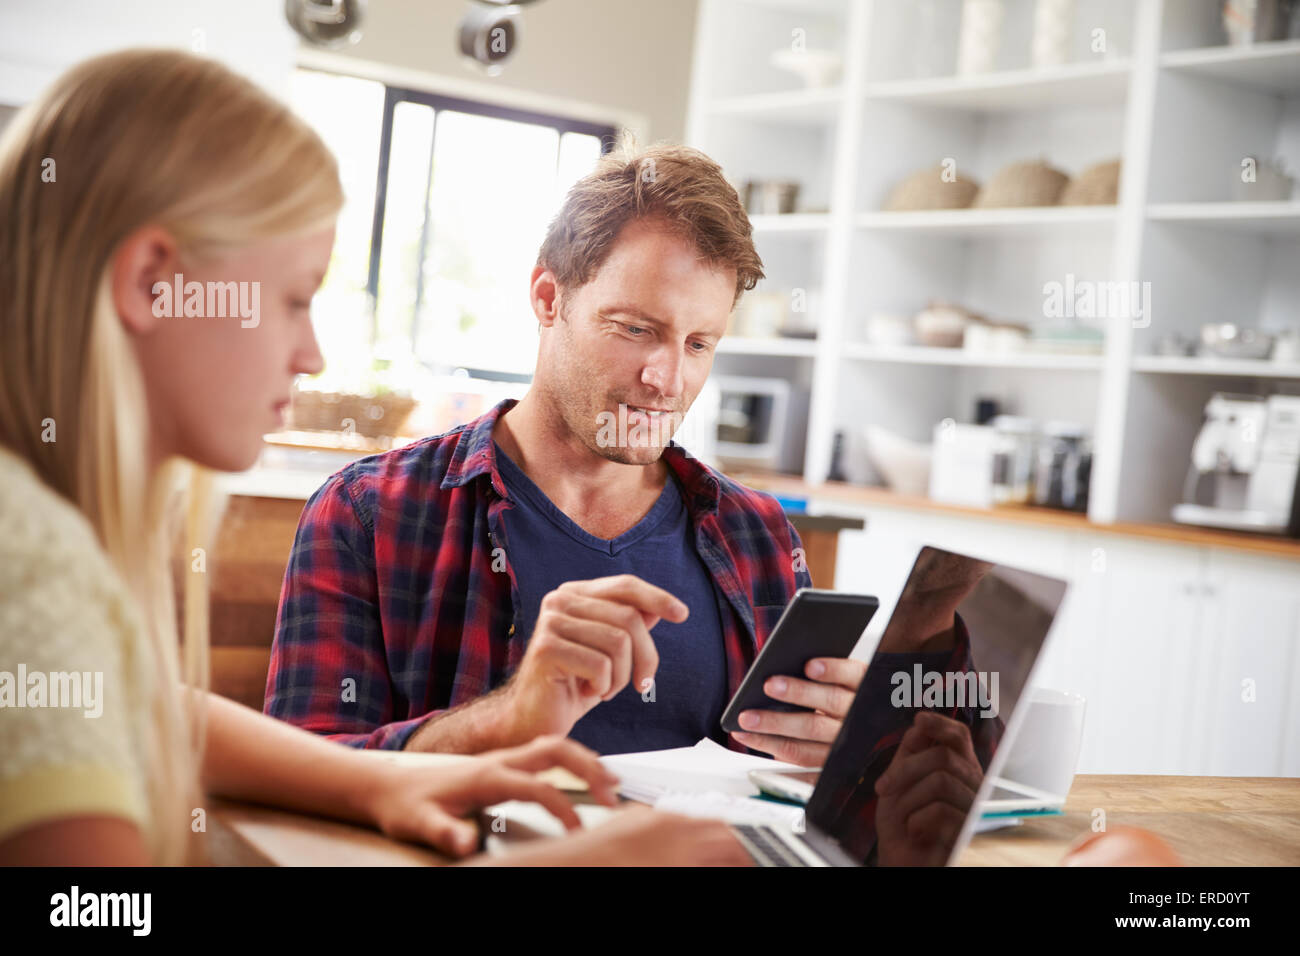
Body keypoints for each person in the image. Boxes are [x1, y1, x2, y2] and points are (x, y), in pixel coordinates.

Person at [0, 48, 749, 867]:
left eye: (700, 341)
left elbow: (145, 704)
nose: (314, 354)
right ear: (151, 281)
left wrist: (383, 782)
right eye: (293, 297)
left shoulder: (49, 549)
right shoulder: (32, 566)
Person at [266, 140, 868, 765]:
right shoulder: (370, 514)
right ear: (549, 299)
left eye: (698, 344)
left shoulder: (760, 535)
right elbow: (299, 778)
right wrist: (509, 717)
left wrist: (845, 757)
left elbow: (788, 793)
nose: (667, 378)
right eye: (636, 329)